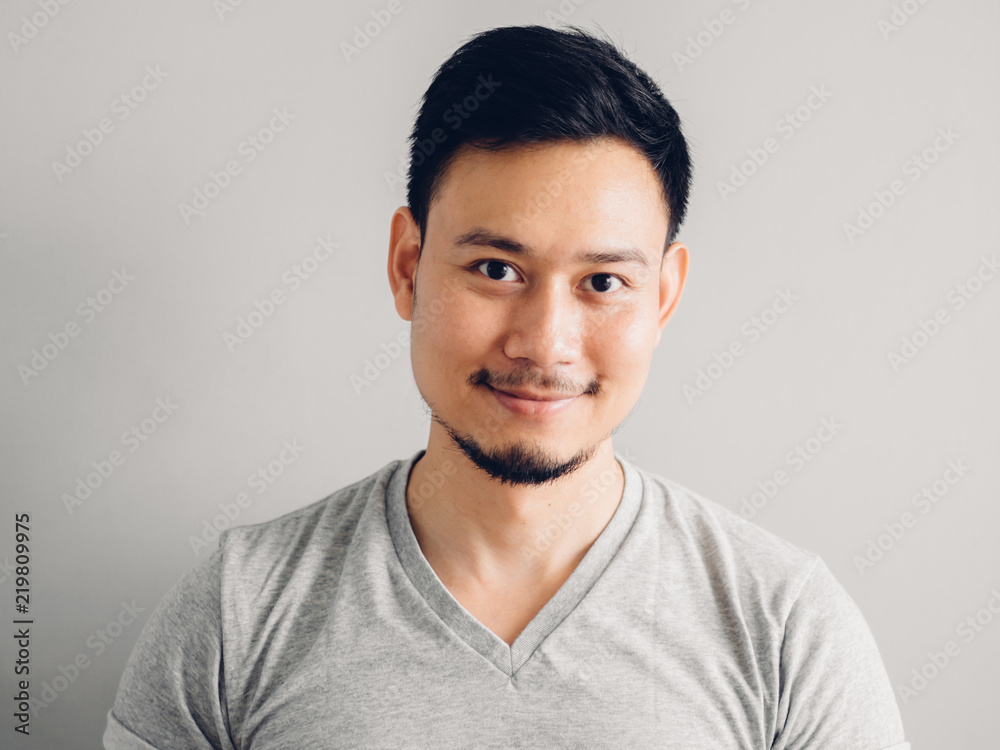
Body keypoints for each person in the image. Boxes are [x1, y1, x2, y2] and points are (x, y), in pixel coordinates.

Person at [104, 25, 910, 749]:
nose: (544, 342)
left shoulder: (785, 626)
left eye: (602, 282)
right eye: (496, 269)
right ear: (408, 267)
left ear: (663, 298)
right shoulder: (238, 611)